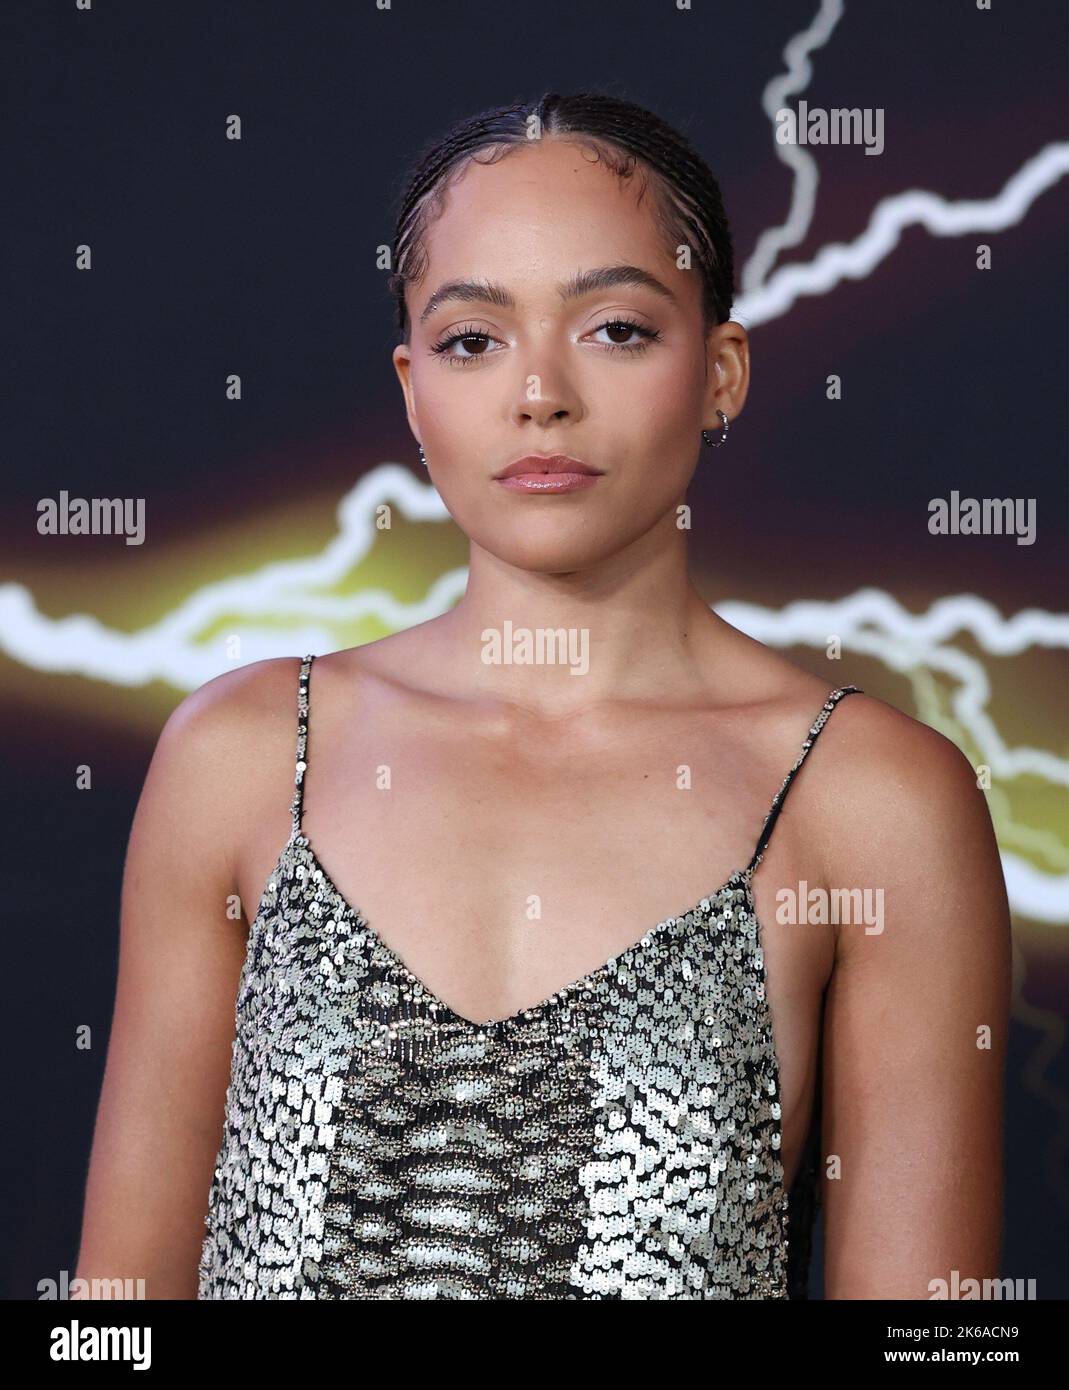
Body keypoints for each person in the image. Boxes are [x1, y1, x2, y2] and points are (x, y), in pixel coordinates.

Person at [75, 91, 1010, 1300]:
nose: (539, 394)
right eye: (473, 340)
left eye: (615, 327)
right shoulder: (246, 753)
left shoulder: (869, 797)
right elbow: (111, 1314)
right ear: (412, 391)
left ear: (721, 371)